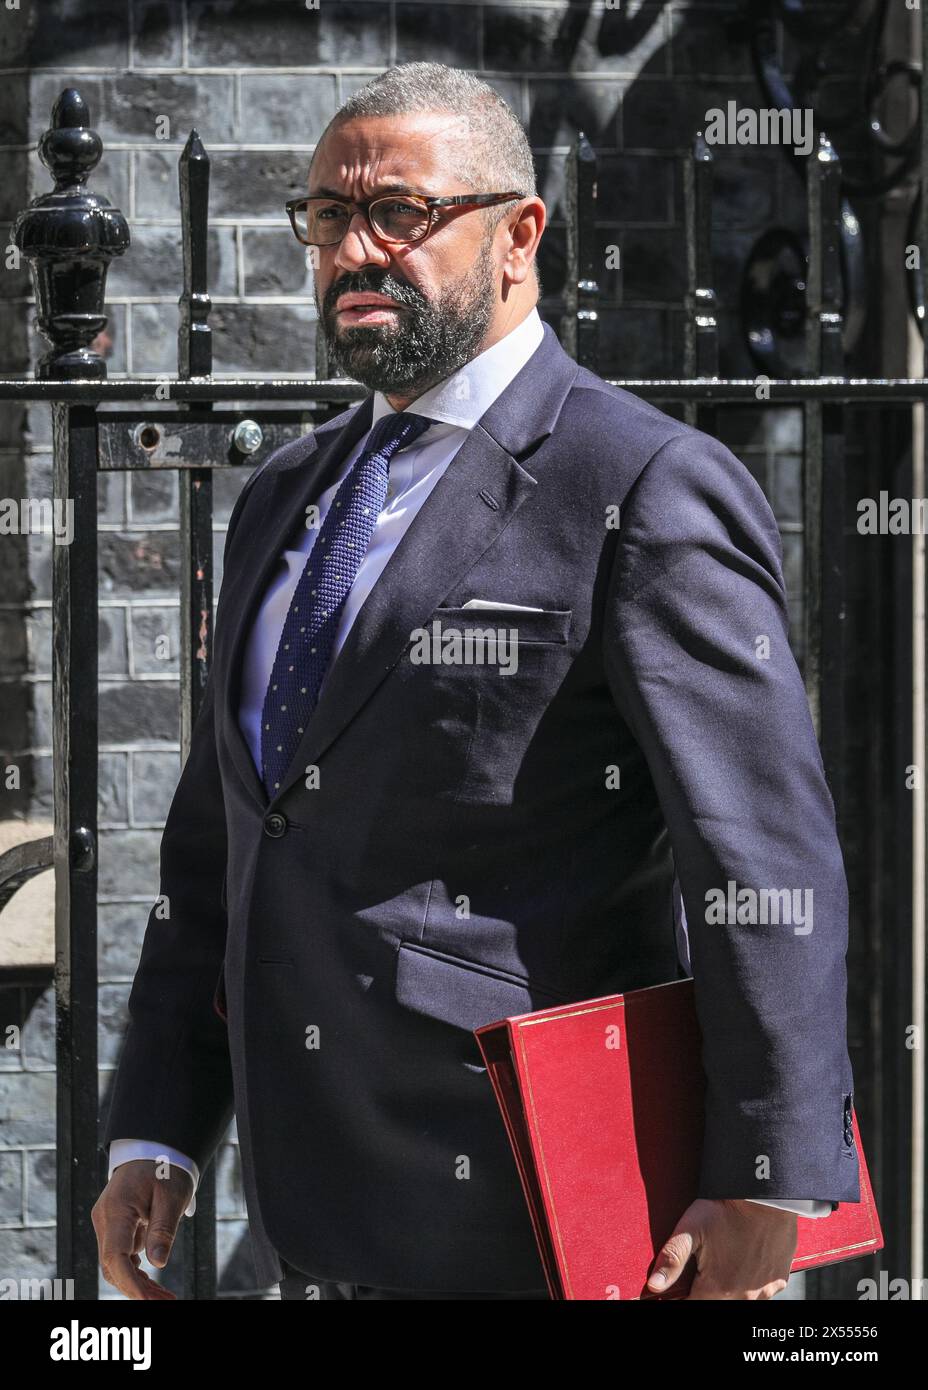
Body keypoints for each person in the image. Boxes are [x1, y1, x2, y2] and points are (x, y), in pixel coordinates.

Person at [92, 62, 859, 1302]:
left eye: (400, 211)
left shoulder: (641, 485)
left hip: (535, 1206)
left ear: (518, 235)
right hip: (312, 1208)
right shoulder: (285, 495)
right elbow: (226, 840)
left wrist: (770, 1175)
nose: (356, 249)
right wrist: (160, 1123)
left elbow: (760, 853)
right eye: (331, 219)